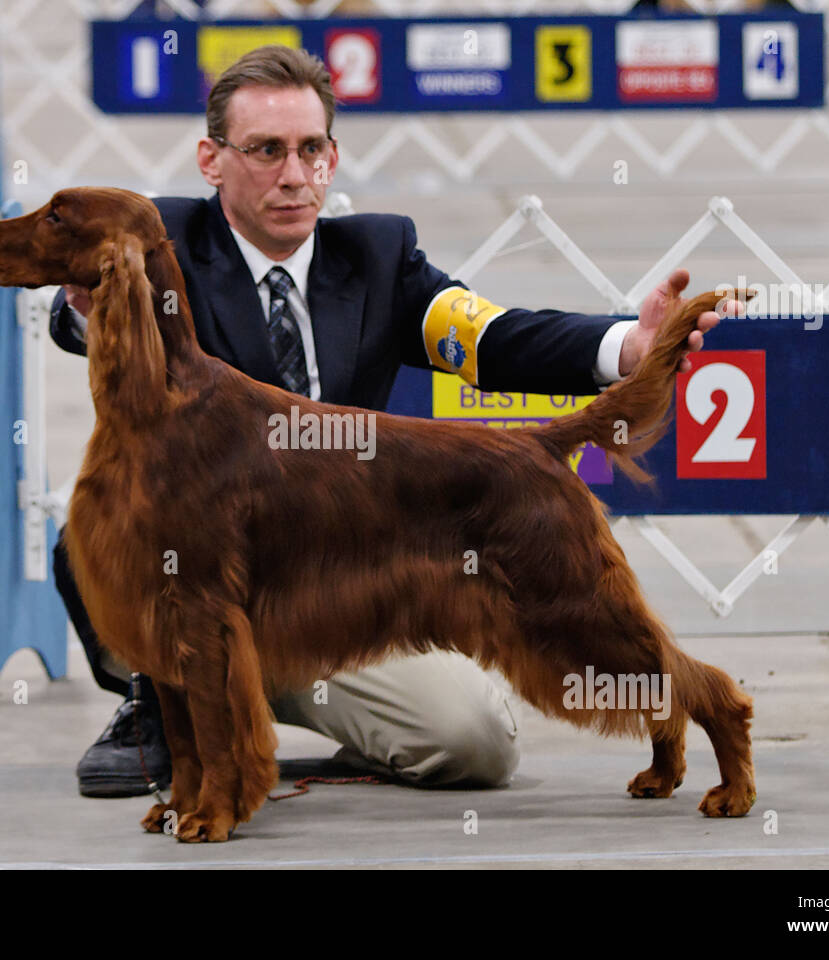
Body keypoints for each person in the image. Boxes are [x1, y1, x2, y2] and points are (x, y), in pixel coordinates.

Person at [48, 45, 726, 799]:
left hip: (341, 596)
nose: (293, 175)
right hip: (205, 581)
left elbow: (490, 336)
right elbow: (83, 312)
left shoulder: (377, 256)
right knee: (108, 535)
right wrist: (90, 311)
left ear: (333, 158)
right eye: (265, 151)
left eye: (311, 150)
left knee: (473, 745)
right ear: (212, 160)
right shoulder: (165, 245)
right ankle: (162, 699)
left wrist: (628, 346)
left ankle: (259, 705)